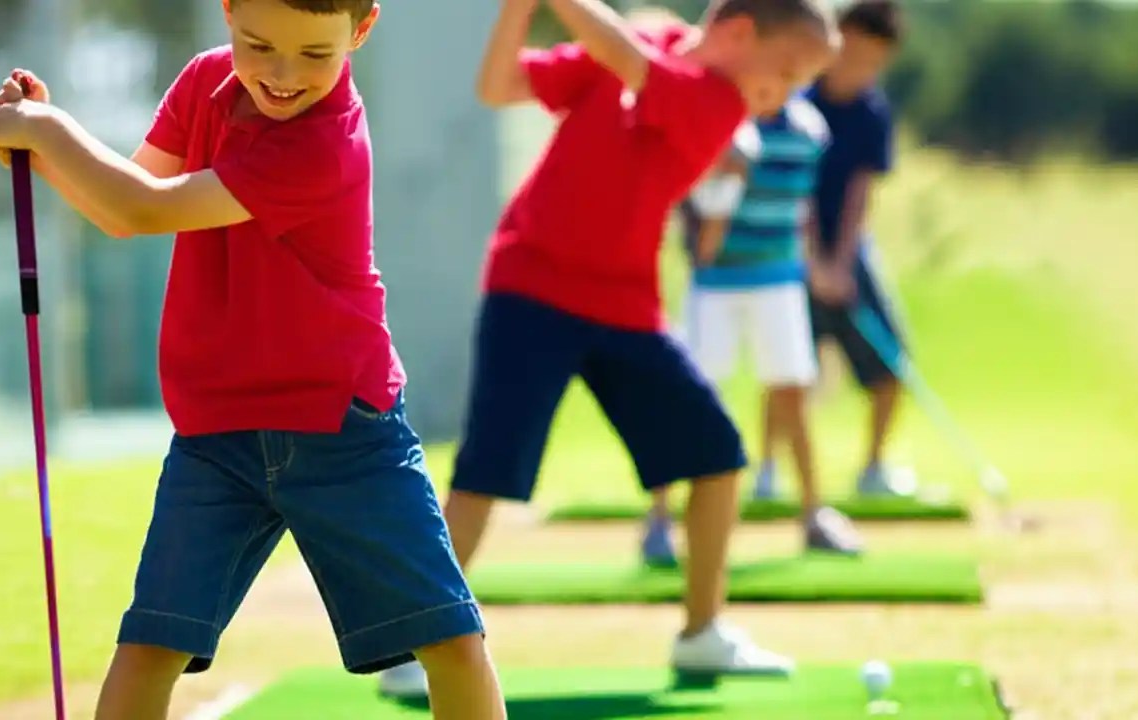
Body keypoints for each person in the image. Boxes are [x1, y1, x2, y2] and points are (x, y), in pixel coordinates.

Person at [0, 2, 506, 718]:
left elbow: (142, 207)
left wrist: (45, 130)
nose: (283, 75)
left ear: (360, 31)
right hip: (216, 433)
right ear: (227, 11)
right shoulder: (204, 83)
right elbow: (116, 206)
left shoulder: (323, 145)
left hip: (341, 427)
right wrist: (35, 153)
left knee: (448, 639)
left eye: (315, 56)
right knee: (150, 646)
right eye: (259, 44)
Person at [380, 0, 840, 697]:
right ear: (739, 32)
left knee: (716, 454)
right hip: (529, 284)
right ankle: (420, 651)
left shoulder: (719, 104)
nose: (790, 90)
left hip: (624, 306)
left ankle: (702, 634)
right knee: (484, 474)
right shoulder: (644, 41)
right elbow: (498, 85)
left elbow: (629, 60)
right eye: (788, 69)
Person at [641, 97, 863, 567]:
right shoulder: (720, 119)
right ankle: (659, 519)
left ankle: (813, 516)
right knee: (688, 396)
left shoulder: (808, 129)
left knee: (792, 396)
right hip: (715, 284)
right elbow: (689, 200)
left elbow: (802, 209)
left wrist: (817, 265)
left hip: (779, 281)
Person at [798, 0, 913, 498]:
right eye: (851, 53)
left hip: (848, 253)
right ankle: (765, 475)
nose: (858, 69)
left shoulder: (872, 113)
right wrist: (814, 264)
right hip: (790, 248)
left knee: (893, 365)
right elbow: (794, 189)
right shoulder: (799, 100)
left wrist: (840, 264)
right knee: (787, 374)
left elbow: (859, 195)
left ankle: (873, 470)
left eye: (873, 61)